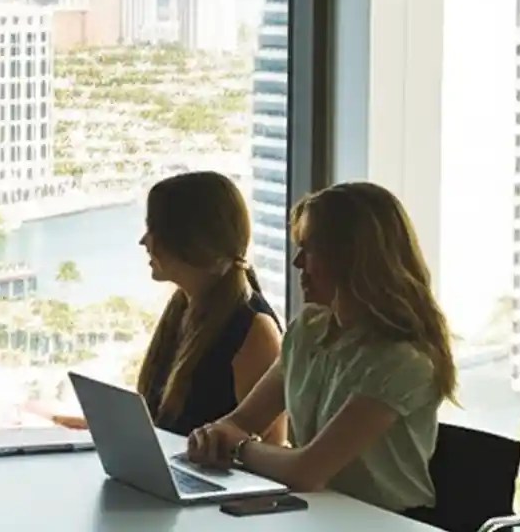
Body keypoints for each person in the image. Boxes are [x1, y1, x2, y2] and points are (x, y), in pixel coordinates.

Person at [186, 182, 457, 514]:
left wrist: (238, 448)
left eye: (311, 250)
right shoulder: (309, 330)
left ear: (353, 258)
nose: (298, 262)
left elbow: (307, 471)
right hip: (315, 513)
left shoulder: (402, 360)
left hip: (385, 522)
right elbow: (241, 421)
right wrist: (212, 436)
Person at [132, 171, 285, 441]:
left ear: (187, 239)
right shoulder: (182, 307)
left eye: (153, 230)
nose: (144, 242)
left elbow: (272, 447)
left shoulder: (254, 330)